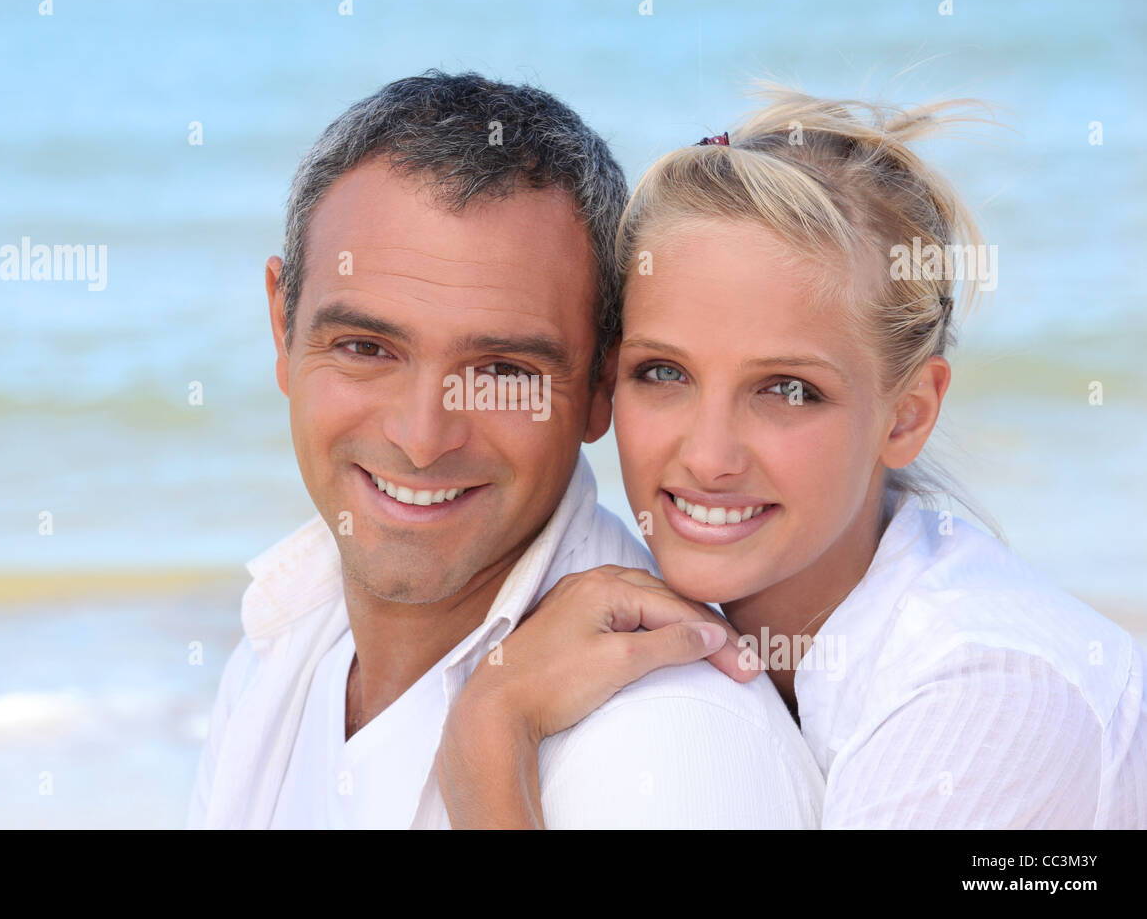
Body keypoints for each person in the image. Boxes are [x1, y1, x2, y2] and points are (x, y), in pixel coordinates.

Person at [437, 85, 1147, 829]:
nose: (709, 457)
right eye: (664, 374)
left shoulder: (984, 697)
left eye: (788, 390)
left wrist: (487, 738)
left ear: (908, 416)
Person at [186, 71, 823, 829]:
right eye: (366, 347)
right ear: (281, 324)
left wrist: (486, 734)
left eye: (502, 372)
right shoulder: (287, 639)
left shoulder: (670, 748)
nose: (422, 438)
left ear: (599, 389)